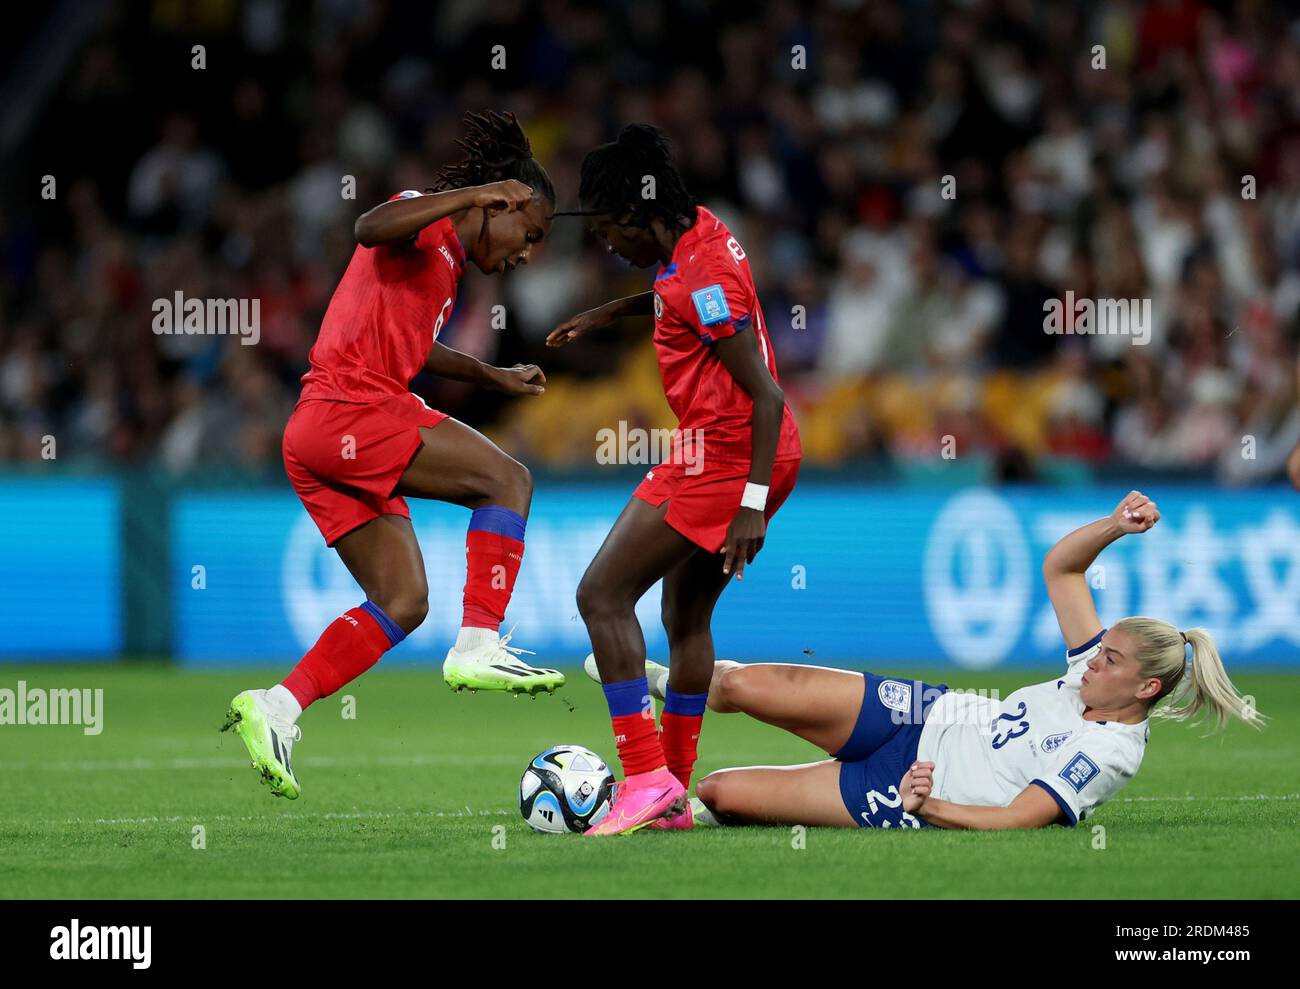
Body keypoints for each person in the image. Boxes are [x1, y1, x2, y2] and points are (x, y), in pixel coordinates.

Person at [223, 111, 564, 800]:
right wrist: (472, 193)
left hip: (316, 433)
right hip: (354, 407)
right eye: (529, 235)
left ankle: (278, 706)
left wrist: (491, 375)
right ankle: (478, 643)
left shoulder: (446, 267)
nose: (527, 253)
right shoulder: (425, 221)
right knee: (509, 480)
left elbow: (414, 346)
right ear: (499, 205)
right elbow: (368, 225)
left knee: (402, 600)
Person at [588, 491, 1262, 829]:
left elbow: (1020, 816)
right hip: (928, 711)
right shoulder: (1090, 673)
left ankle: (677, 780)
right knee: (740, 683)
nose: (1091, 660)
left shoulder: (1111, 750)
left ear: (1144, 685)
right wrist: (1116, 525)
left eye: (1108, 658)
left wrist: (930, 806)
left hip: (915, 782)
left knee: (718, 790)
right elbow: (1062, 568)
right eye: (1100, 648)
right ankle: (649, 682)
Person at [546, 125, 803, 834]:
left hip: (727, 457)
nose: (606, 246)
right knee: (685, 619)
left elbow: (769, 396)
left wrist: (750, 503)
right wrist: (609, 313)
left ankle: (644, 776)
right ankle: (670, 799)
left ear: (636, 213)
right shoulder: (702, 234)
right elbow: (676, 297)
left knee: (601, 594)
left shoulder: (704, 277)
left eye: (606, 230)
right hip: (729, 451)